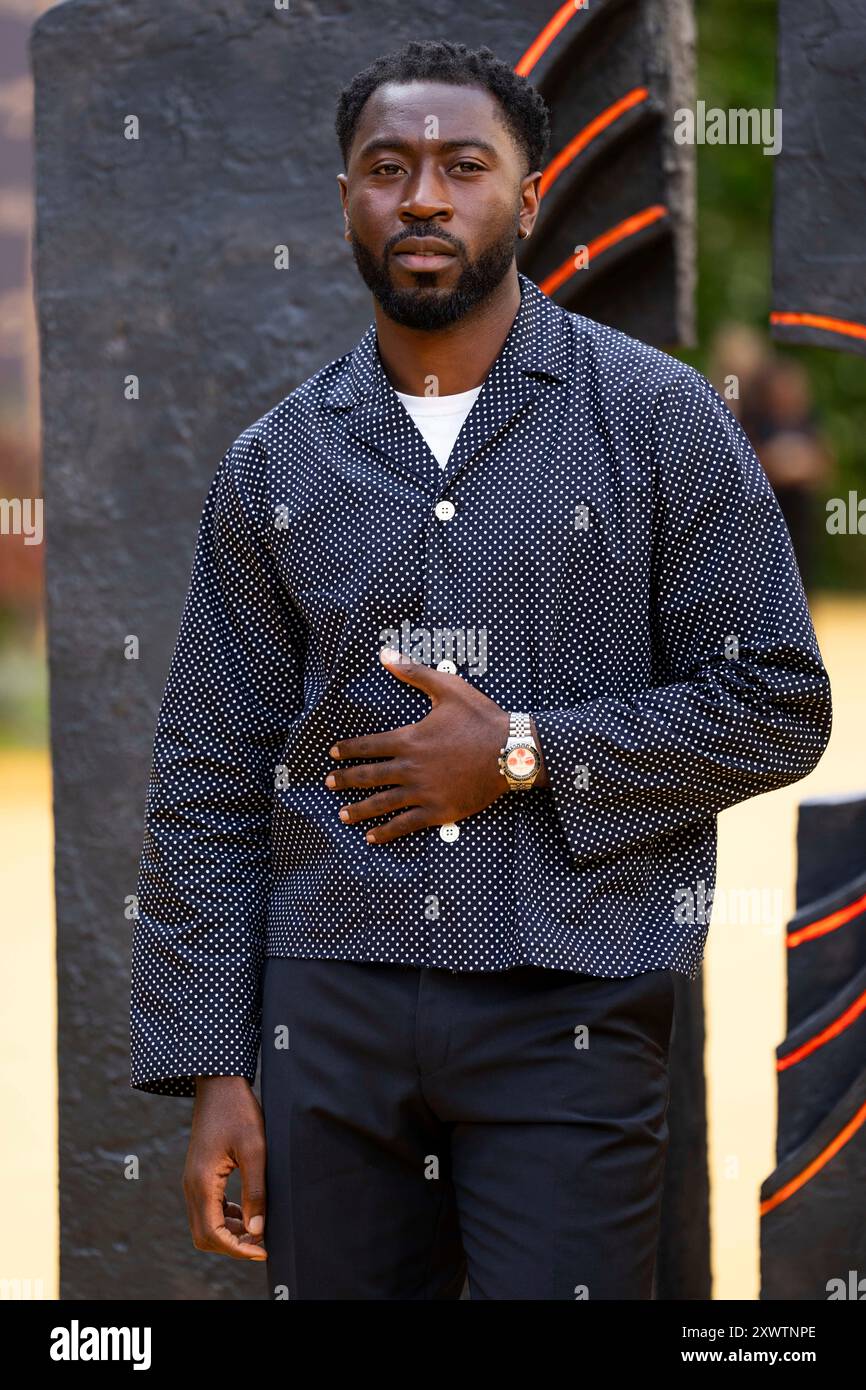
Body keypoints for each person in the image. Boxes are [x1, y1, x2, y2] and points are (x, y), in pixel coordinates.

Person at [129, 39, 833, 1300]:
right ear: (343, 195)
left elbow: (779, 702)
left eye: (463, 165)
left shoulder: (660, 420)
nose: (423, 197)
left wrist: (519, 753)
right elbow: (207, 774)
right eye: (385, 166)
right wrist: (215, 1070)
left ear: (527, 187)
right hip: (325, 1007)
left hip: (567, 1004)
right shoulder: (272, 463)